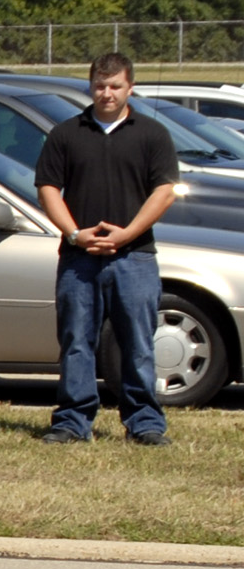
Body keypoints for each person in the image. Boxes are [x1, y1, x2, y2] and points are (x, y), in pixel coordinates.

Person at [35, 52, 180, 447]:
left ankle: (145, 422)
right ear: (90, 86)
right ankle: (72, 422)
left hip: (134, 258)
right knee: (77, 342)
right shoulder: (67, 134)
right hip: (79, 259)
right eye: (100, 85)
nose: (107, 93)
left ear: (130, 87)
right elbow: (47, 188)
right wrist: (74, 234)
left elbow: (164, 191)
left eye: (115, 86)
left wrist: (127, 233)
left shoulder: (151, 134)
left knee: (137, 343)